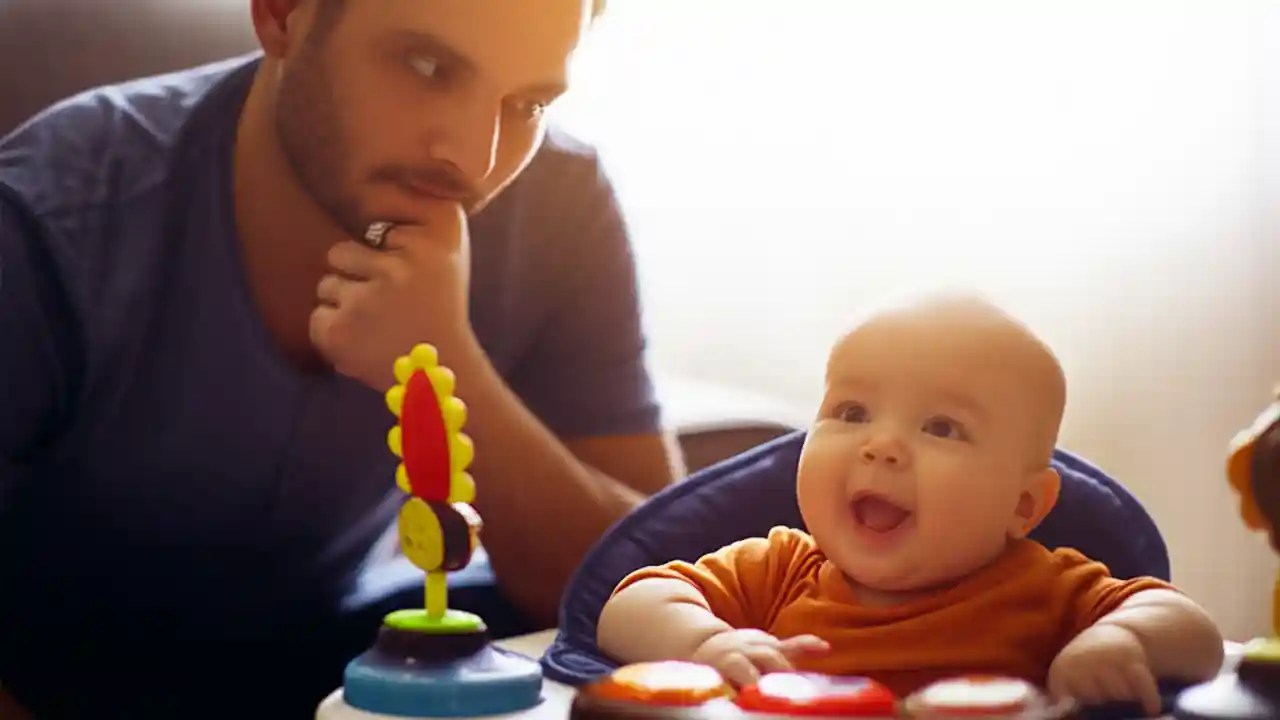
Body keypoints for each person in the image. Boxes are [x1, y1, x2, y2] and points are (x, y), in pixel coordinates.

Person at [0, 0, 680, 717]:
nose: (472, 159)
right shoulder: (46, 223)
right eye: (427, 66)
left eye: (527, 102)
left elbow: (654, 590)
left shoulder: (559, 204)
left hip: (323, 661)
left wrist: (450, 366)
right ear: (283, 14)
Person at [596, 294, 1224, 717]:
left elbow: (1195, 633)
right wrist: (705, 643)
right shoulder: (783, 570)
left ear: (1024, 504)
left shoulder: (1049, 589)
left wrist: (1116, 641)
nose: (882, 445)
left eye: (942, 428)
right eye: (852, 412)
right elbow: (629, 605)